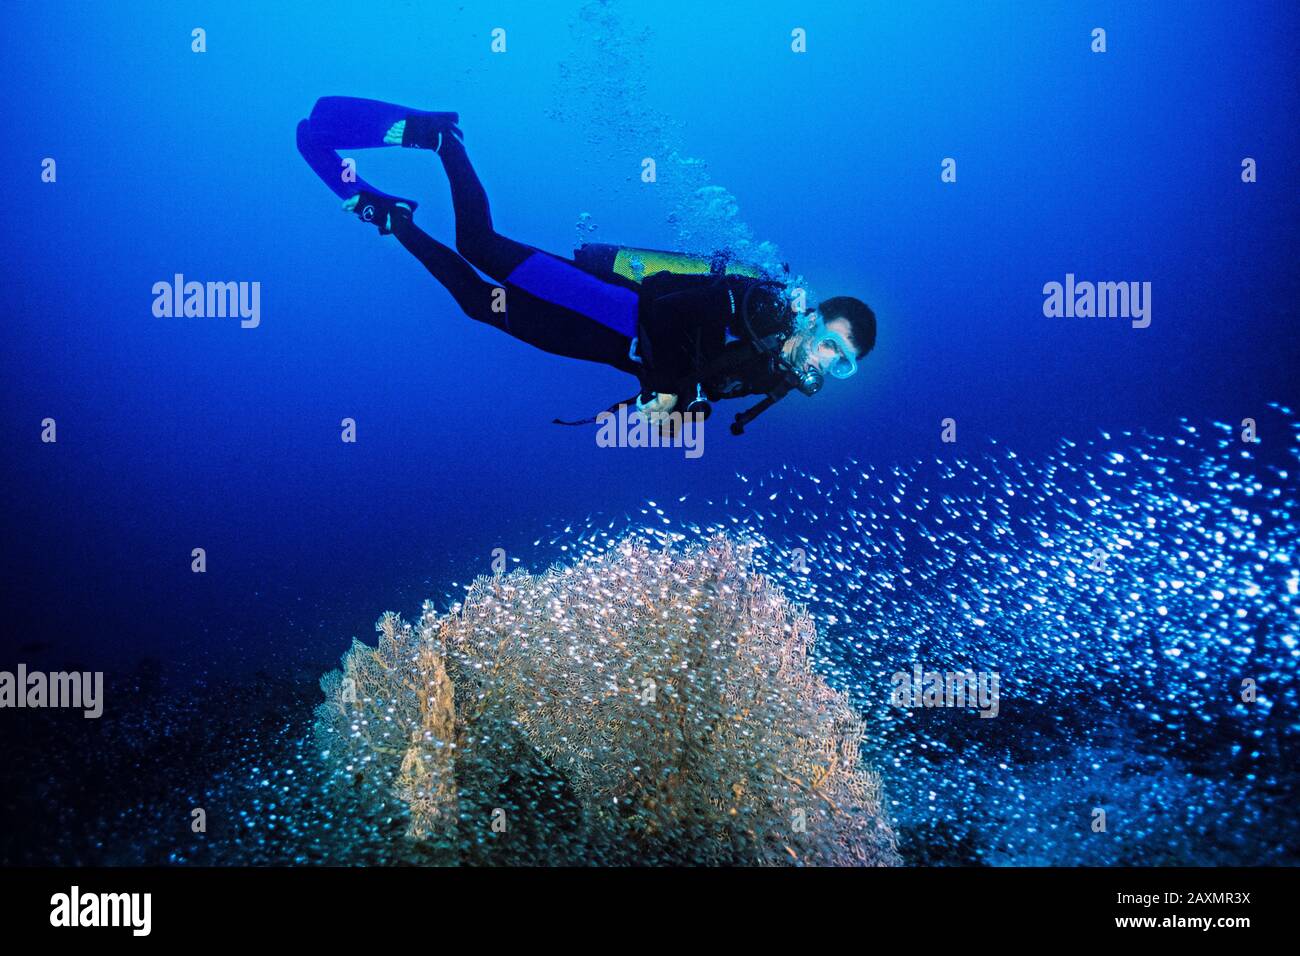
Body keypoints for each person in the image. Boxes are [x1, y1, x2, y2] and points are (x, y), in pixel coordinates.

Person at [296, 96, 877, 434]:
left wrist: (676, 406)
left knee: (479, 304)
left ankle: (395, 219)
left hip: (608, 346)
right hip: (612, 304)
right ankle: (444, 140)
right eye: (830, 342)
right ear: (813, 318)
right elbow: (673, 309)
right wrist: (676, 390)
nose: (826, 360)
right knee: (480, 246)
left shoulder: (773, 376)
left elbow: (698, 380)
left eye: (841, 364)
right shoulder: (766, 307)